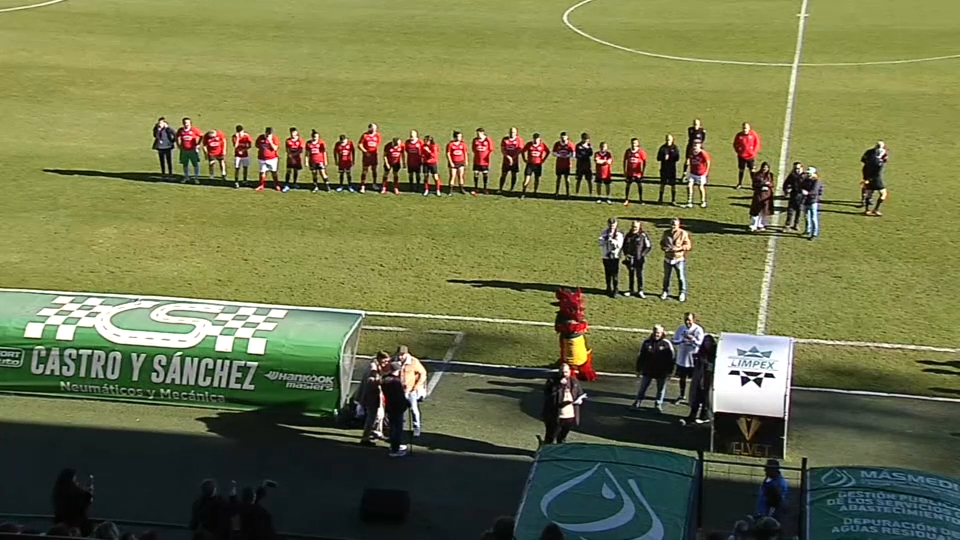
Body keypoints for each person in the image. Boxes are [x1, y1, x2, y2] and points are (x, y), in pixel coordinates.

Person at [632, 325, 675, 412]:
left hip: (661, 371)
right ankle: (637, 402)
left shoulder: (666, 344)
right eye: (655, 332)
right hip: (648, 370)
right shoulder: (647, 342)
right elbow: (641, 356)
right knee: (643, 387)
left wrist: (670, 371)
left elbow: (671, 358)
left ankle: (658, 405)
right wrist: (638, 369)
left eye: (658, 333)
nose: (657, 334)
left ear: (662, 333)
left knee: (661, 389)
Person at [539, 362, 584, 445]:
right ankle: (547, 453)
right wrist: (560, 386)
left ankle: (560, 453)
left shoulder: (574, 381)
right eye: (562, 372)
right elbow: (549, 395)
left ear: (570, 372)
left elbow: (579, 393)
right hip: (555, 416)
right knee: (550, 437)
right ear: (559, 372)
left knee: (562, 438)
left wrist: (580, 399)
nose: (564, 374)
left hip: (570, 415)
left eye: (566, 372)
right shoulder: (552, 381)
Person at [680, 334, 716, 426]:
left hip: (709, 380)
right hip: (700, 378)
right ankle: (692, 415)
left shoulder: (715, 354)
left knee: (706, 399)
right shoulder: (701, 353)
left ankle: (704, 417)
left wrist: (706, 364)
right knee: (696, 397)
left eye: (708, 342)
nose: (707, 344)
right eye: (705, 342)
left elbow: (713, 367)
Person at [672, 312, 704, 404]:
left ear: (693, 320)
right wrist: (681, 340)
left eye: (689, 320)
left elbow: (701, 343)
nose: (687, 322)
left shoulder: (698, 329)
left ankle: (696, 398)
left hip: (693, 359)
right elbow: (675, 340)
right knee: (682, 378)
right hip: (682, 358)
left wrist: (693, 340)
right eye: (685, 320)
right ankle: (682, 395)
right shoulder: (681, 328)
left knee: (696, 380)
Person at [380, 360, 410, 457]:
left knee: (392, 427)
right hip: (397, 407)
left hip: (389, 406)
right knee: (397, 428)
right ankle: (395, 449)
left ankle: (394, 445)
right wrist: (406, 403)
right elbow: (400, 396)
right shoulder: (396, 382)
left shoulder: (384, 379)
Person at [52, 468, 93, 536]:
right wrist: (88, 493)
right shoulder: (74, 494)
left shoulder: (58, 492)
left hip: (62, 524)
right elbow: (85, 501)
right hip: (77, 525)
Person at [397, 345, 427, 437]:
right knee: (399, 410)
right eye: (399, 355)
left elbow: (423, 373)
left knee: (414, 410)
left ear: (406, 354)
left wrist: (417, 386)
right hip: (399, 390)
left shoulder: (413, 362)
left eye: (402, 355)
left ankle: (416, 427)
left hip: (411, 391)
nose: (400, 357)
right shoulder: (395, 361)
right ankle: (398, 427)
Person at [660, 217, 692, 302]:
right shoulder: (666, 233)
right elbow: (662, 243)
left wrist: (678, 249)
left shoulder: (683, 233)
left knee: (681, 277)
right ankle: (665, 291)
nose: (673, 226)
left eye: (675, 224)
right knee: (666, 277)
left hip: (679, 259)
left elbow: (688, 246)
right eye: (672, 224)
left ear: (678, 225)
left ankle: (682, 292)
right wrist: (664, 248)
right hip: (668, 258)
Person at [622, 220, 652, 298]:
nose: (633, 228)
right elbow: (624, 246)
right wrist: (626, 254)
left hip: (639, 259)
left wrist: (642, 255)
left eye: (635, 227)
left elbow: (648, 246)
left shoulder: (643, 235)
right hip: (630, 259)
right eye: (632, 226)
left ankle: (640, 290)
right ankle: (631, 289)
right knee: (631, 274)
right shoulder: (628, 235)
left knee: (639, 275)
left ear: (639, 227)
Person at [861, 141, 889, 216]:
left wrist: (866, 179)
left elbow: (863, 164)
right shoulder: (879, 162)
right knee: (883, 194)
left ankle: (867, 210)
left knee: (869, 193)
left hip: (868, 177)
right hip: (876, 180)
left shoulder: (869, 160)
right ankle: (876, 210)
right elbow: (877, 172)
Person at [598, 217, 624, 297]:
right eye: (610, 225)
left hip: (615, 257)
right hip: (606, 256)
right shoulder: (604, 232)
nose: (611, 226)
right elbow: (600, 243)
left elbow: (620, 245)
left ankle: (615, 289)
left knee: (615, 274)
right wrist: (605, 239)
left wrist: (613, 242)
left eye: (613, 225)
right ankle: (608, 288)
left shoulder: (619, 234)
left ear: (616, 224)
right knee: (607, 273)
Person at [359, 363, 383, 446]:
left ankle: (369, 435)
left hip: (372, 400)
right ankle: (365, 438)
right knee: (371, 419)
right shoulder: (372, 378)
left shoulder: (372, 376)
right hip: (372, 401)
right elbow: (371, 390)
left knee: (374, 418)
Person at [733, 122, 761, 189]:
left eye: (746, 128)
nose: (744, 129)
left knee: (752, 170)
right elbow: (735, 144)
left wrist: (754, 152)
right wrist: (738, 151)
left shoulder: (753, 134)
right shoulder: (739, 135)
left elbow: (757, 144)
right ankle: (740, 183)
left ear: (749, 128)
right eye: (743, 128)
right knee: (741, 170)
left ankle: (753, 184)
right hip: (741, 156)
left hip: (750, 156)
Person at [521, 132, 550, 198]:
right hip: (530, 164)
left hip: (538, 165)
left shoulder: (542, 145)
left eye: (537, 139)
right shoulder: (529, 144)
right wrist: (524, 159)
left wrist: (543, 160)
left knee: (537, 179)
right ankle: (523, 192)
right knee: (526, 179)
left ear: (539, 139)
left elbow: (547, 152)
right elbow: (523, 151)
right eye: (534, 139)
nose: (535, 140)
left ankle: (535, 191)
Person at [176, 117, 204, 184]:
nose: (186, 124)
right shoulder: (181, 130)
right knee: (185, 164)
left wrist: (198, 144)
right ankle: (186, 177)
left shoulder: (194, 130)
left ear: (190, 123)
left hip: (192, 150)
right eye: (185, 123)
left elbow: (202, 135)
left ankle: (196, 178)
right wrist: (178, 145)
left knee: (195, 164)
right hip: (184, 150)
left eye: (188, 123)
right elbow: (176, 136)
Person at [749, 161, 775, 232]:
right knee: (756, 211)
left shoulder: (770, 175)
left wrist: (768, 184)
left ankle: (761, 225)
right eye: (764, 167)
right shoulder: (757, 175)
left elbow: (772, 184)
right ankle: (753, 225)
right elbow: (754, 185)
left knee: (764, 211)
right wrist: (762, 185)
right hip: (759, 195)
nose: (765, 169)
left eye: (766, 167)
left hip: (767, 195)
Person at [622, 138, 648, 206]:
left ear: (638, 144)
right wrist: (624, 171)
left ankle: (641, 199)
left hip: (638, 173)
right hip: (629, 172)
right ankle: (626, 199)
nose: (634, 144)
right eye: (633, 143)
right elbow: (625, 161)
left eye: (635, 143)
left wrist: (643, 171)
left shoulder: (641, 152)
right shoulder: (628, 151)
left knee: (639, 185)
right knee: (628, 185)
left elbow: (645, 162)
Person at [254, 128, 281, 192]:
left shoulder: (274, 138)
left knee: (273, 172)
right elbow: (256, 145)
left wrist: (270, 141)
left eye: (270, 134)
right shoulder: (260, 137)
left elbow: (275, 148)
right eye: (267, 133)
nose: (268, 135)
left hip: (272, 159)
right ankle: (261, 185)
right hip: (262, 158)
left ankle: (276, 184)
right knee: (262, 172)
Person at [498, 127, 524, 193]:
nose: (511, 133)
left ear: (516, 133)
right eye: (510, 132)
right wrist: (508, 157)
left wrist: (513, 158)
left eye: (513, 132)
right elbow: (502, 149)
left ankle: (512, 188)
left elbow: (520, 150)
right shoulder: (505, 139)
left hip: (515, 161)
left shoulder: (519, 140)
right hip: (506, 161)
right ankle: (500, 188)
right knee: (503, 174)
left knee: (514, 175)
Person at [657, 134, 681, 205]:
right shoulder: (662, 148)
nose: (668, 141)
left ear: (672, 140)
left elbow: (677, 158)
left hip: (672, 169)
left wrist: (670, 157)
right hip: (664, 169)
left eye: (669, 140)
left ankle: (673, 199)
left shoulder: (675, 148)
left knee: (673, 185)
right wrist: (663, 157)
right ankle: (660, 198)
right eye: (667, 140)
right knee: (662, 184)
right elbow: (658, 158)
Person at [685, 142, 710, 208]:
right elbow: (689, 161)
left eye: (696, 145)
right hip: (692, 173)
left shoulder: (703, 153)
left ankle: (703, 201)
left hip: (701, 173)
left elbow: (708, 162)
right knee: (689, 186)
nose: (695, 147)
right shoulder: (691, 152)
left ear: (700, 146)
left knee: (700, 187)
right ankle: (689, 201)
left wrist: (706, 172)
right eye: (694, 145)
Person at [357, 123, 381, 194]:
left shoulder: (378, 135)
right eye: (373, 129)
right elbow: (359, 145)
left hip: (374, 156)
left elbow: (377, 144)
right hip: (366, 157)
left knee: (374, 170)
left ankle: (374, 184)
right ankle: (362, 186)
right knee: (365, 171)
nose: (374, 130)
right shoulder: (365, 135)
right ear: (369, 128)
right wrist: (365, 151)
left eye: (375, 129)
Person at [782, 161, 805, 231]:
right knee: (790, 211)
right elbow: (785, 184)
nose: (796, 170)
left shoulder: (805, 176)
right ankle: (787, 225)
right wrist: (786, 191)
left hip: (801, 196)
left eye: (798, 168)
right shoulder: (792, 175)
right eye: (795, 168)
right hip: (793, 195)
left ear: (802, 168)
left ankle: (796, 224)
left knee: (799, 211)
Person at [801, 166, 823, 239]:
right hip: (806, 201)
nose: (808, 174)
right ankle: (807, 230)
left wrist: (807, 193)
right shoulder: (806, 179)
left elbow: (815, 191)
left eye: (809, 173)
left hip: (813, 201)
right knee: (807, 217)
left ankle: (814, 233)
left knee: (813, 217)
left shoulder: (816, 181)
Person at [471, 128, 494, 194]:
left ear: (483, 133)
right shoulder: (475, 140)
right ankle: (476, 188)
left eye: (479, 134)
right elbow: (473, 149)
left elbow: (491, 149)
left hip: (485, 161)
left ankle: (485, 188)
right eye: (477, 134)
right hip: (476, 160)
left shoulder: (488, 140)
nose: (478, 135)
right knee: (476, 173)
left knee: (485, 173)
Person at [553, 132, 575, 198]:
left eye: (564, 137)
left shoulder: (570, 144)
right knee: (558, 179)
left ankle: (568, 193)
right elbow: (553, 153)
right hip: (559, 164)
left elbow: (573, 154)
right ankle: (557, 193)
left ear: (567, 137)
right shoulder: (557, 144)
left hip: (567, 165)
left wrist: (566, 156)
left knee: (567, 179)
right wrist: (559, 155)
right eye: (562, 137)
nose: (563, 138)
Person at [281, 127, 303, 192]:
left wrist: (294, 155)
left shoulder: (300, 140)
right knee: (288, 171)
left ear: (296, 133)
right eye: (291, 133)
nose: (292, 134)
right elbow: (287, 149)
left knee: (296, 171)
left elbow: (301, 150)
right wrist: (290, 154)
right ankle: (286, 184)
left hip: (297, 158)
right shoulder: (288, 140)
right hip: (290, 158)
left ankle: (294, 183)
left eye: (294, 133)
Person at [446, 130, 468, 195]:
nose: (460, 138)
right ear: (455, 137)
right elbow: (448, 154)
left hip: (461, 162)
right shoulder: (450, 144)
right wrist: (450, 162)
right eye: (459, 136)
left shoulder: (463, 144)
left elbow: (465, 153)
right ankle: (450, 190)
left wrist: (466, 160)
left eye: (461, 136)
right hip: (453, 162)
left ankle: (461, 189)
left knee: (461, 176)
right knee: (452, 176)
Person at [574, 132, 594, 197]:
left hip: (587, 165)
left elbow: (591, 153)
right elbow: (576, 155)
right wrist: (583, 155)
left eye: (587, 139)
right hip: (580, 165)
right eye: (585, 139)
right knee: (578, 180)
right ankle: (576, 193)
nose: (586, 140)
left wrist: (585, 154)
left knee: (589, 180)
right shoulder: (578, 146)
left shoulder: (589, 146)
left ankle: (590, 194)